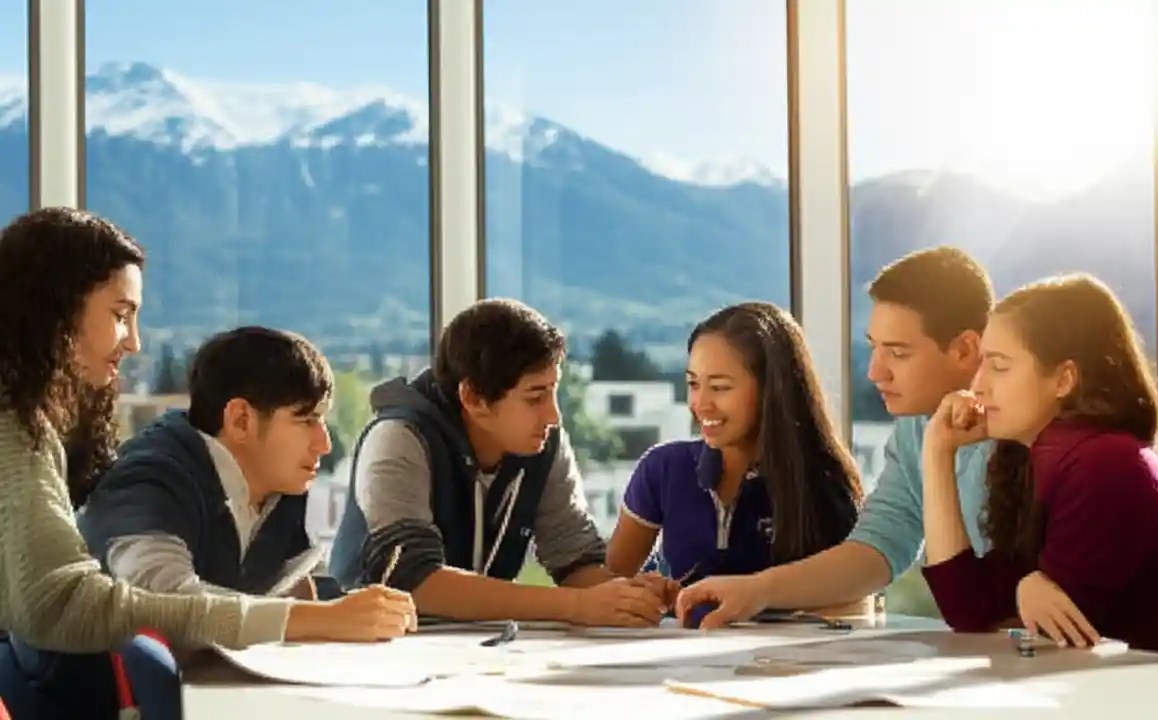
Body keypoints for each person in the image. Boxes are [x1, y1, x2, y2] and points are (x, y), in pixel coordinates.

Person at [0, 208, 415, 716]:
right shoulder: (18, 431)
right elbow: (61, 605)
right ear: (55, 309)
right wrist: (303, 620)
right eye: (119, 314)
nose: (133, 341)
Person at [918, 273, 1158, 663]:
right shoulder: (1037, 458)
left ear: (1064, 379)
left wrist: (1024, 592)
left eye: (1000, 366)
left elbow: (1055, 629)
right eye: (982, 364)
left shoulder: (1106, 464)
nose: (979, 384)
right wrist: (937, 452)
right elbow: (968, 609)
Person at [675, 247, 994, 629]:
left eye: (897, 353)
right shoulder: (917, 426)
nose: (876, 372)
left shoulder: (1025, 429)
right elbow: (876, 549)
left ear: (964, 349)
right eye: (874, 347)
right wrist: (756, 591)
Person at [329, 298, 669, 626]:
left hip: (476, 647)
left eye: (554, 392)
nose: (553, 416)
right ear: (474, 398)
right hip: (375, 649)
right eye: (535, 397)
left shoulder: (542, 442)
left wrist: (628, 595)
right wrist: (577, 606)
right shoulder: (399, 438)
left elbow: (575, 559)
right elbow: (414, 580)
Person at [606, 302, 863, 623]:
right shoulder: (664, 468)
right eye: (693, 384)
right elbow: (609, 584)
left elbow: (855, 602)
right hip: (677, 661)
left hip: (781, 664)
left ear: (773, 390)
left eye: (719, 387)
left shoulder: (823, 483)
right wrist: (645, 591)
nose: (700, 404)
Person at [80, 326, 339, 600]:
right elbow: (165, 601)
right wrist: (306, 618)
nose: (324, 444)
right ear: (241, 420)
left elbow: (315, 596)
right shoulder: (148, 481)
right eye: (307, 420)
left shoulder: (279, 490)